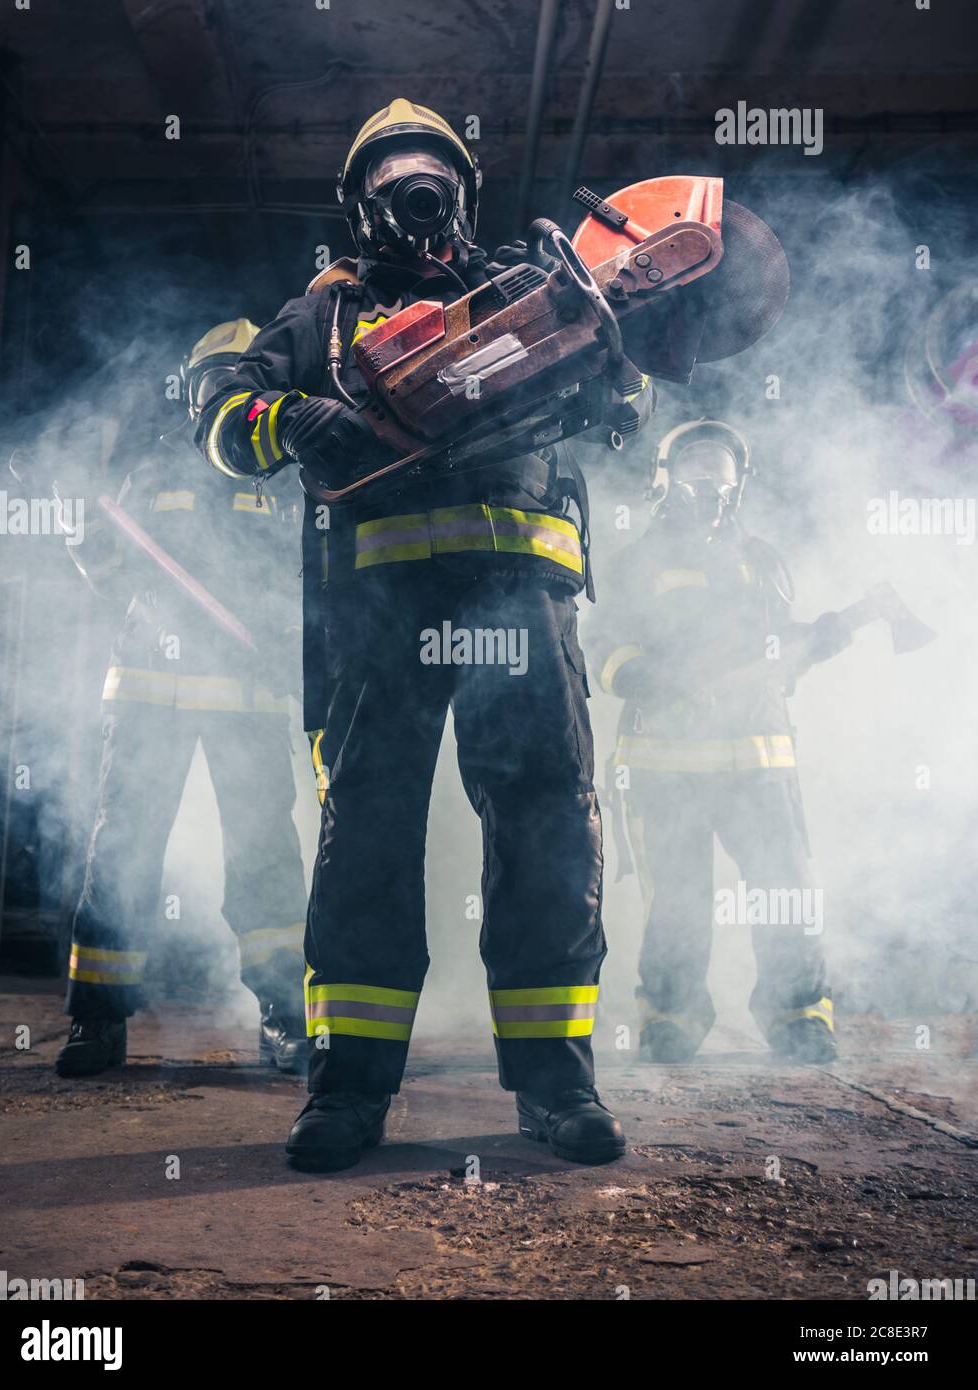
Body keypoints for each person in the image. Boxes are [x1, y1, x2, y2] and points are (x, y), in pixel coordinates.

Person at [198, 99, 629, 1170]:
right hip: (379, 614)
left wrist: (618, 384)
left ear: (462, 189)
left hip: (521, 601)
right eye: (391, 169)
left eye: (429, 166)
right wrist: (289, 417)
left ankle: (554, 1082)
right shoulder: (323, 318)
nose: (413, 183)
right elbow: (219, 410)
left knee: (546, 824)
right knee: (371, 833)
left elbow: (619, 377)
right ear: (359, 201)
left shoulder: (527, 288)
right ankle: (345, 1092)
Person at [55, 320, 311, 1078]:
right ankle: (97, 1023)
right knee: (123, 852)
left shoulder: (282, 473)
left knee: (264, 856)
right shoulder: (152, 470)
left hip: (246, 697)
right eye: (212, 376)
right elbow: (109, 571)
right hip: (146, 695)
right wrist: (81, 528)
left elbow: (307, 579)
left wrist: (285, 637)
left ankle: (283, 1017)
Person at [590, 419, 848, 1065]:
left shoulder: (760, 559)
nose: (710, 479)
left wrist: (817, 641)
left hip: (760, 761)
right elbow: (602, 647)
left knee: (784, 887)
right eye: (696, 464)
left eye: (721, 468)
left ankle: (799, 1019)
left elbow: (778, 653)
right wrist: (651, 678)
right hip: (663, 765)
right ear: (666, 477)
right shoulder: (637, 560)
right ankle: (669, 1019)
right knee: (677, 899)